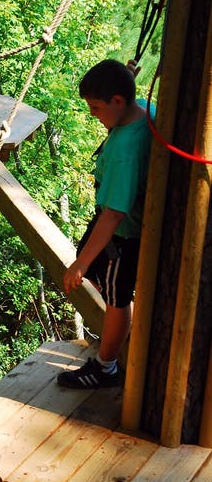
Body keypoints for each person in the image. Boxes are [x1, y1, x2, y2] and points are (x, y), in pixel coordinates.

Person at [57, 59, 152, 389]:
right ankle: (119, 327)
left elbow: (113, 215)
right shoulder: (143, 110)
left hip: (123, 236)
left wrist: (80, 265)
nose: (92, 114)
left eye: (96, 108)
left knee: (116, 299)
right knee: (107, 284)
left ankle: (105, 366)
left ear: (118, 101)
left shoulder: (125, 151)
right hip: (115, 229)